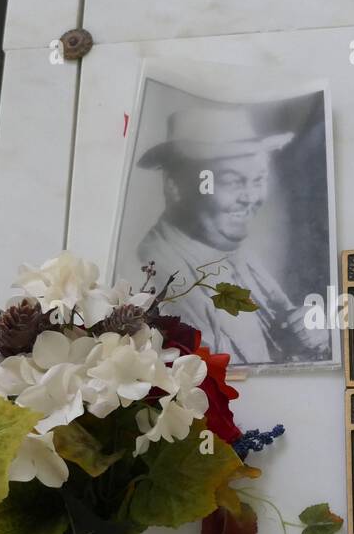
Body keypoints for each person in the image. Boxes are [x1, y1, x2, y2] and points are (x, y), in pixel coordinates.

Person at [131, 105, 330, 364]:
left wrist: (313, 335)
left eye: (258, 180)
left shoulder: (233, 254)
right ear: (175, 187)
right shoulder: (156, 276)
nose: (251, 198)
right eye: (232, 181)